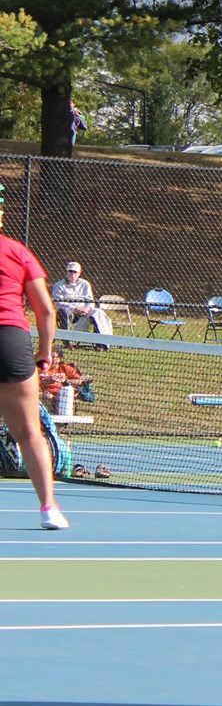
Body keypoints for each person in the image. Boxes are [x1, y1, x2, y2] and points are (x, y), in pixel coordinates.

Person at [0, 185, 65, 529]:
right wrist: (44, 351)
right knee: (28, 433)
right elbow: (46, 311)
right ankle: (49, 509)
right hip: (11, 340)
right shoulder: (18, 252)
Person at [50, 261, 95, 331]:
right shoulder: (59, 285)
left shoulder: (85, 284)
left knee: (98, 313)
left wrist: (87, 309)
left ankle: (103, 339)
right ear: (67, 272)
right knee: (65, 312)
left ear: (79, 273)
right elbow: (57, 303)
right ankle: (68, 340)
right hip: (68, 311)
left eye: (75, 272)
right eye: (70, 271)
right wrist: (74, 309)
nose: (72, 274)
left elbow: (90, 300)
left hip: (84, 311)